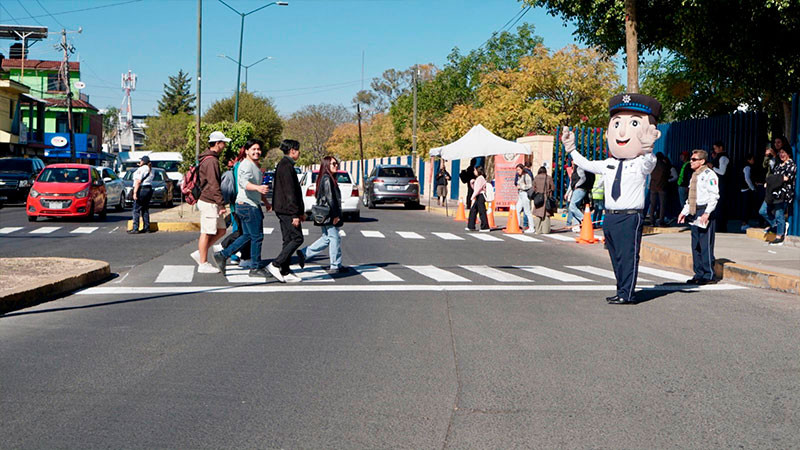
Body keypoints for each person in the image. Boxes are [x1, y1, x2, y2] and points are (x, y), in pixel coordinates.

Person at [561, 92, 663, 305]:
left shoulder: (640, 163)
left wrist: (647, 149)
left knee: (628, 256)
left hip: (630, 216)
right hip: (611, 216)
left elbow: (649, 163)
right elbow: (587, 163)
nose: (622, 131)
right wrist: (570, 149)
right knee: (616, 256)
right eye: (616, 124)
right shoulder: (609, 164)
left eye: (633, 124)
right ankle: (620, 289)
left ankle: (627, 293)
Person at [211, 139, 271, 278]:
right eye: (253, 149)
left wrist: (265, 202)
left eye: (258, 149)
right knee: (257, 237)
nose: (256, 152)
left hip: (249, 204)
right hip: (247, 206)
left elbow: (257, 189)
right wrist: (258, 188)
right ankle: (255, 267)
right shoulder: (245, 165)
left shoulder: (255, 166)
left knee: (247, 235)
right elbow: (244, 183)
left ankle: (223, 255)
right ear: (247, 151)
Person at [299, 156, 347, 274]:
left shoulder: (326, 178)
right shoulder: (327, 179)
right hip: (329, 214)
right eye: (333, 164)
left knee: (327, 238)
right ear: (326, 166)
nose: (336, 166)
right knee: (334, 238)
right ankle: (335, 265)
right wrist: (336, 215)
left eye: (337, 163)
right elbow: (330, 199)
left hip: (325, 213)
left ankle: (305, 253)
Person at [678, 150, 720, 284]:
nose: (691, 161)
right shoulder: (694, 175)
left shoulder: (709, 175)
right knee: (695, 244)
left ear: (702, 161)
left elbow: (714, 195)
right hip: (694, 211)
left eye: (694, 159)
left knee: (705, 243)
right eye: (691, 159)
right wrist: (684, 212)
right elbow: (691, 197)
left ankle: (709, 274)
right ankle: (698, 273)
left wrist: (707, 213)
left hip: (704, 210)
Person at [191, 131, 229, 274]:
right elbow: (214, 184)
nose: (224, 146)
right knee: (207, 232)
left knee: (221, 230)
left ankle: (201, 252)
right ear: (217, 143)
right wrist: (221, 204)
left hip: (210, 200)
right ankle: (203, 263)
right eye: (223, 143)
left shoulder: (209, 159)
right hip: (209, 201)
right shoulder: (211, 161)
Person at [267, 139, 305, 283]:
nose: (299, 152)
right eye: (298, 150)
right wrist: (295, 214)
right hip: (287, 210)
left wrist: (299, 211)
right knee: (297, 238)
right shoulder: (286, 166)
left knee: (288, 239)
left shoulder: (285, 165)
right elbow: (290, 193)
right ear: (293, 150)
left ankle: (285, 269)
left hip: (284, 209)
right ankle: (276, 264)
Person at [219, 146, 252, 267]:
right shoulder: (242, 166)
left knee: (240, 230)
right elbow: (240, 187)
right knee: (242, 231)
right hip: (240, 203)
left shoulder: (238, 165)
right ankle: (229, 251)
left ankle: (235, 255)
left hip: (236, 203)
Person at [761, 145, 796, 245]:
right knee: (763, 211)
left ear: (788, 154)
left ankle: (779, 234)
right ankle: (777, 225)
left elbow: (786, 178)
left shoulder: (791, 165)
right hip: (772, 193)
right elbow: (774, 176)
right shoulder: (778, 165)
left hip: (783, 194)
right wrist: (774, 180)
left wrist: (774, 179)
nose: (781, 155)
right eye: (780, 153)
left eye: (784, 153)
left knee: (779, 213)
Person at [128, 155, 154, 234]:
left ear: (143, 162)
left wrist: (135, 193)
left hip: (141, 190)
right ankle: (147, 227)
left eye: (141, 161)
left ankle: (135, 228)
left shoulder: (141, 169)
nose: (140, 162)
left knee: (136, 209)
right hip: (148, 189)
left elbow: (138, 181)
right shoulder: (151, 170)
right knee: (145, 209)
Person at [566, 164, 594, 232]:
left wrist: (577, 185)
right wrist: (567, 192)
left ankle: (584, 219)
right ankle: (576, 225)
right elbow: (572, 182)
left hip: (579, 189)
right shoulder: (577, 169)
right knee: (575, 207)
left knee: (572, 206)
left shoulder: (579, 168)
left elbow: (583, 178)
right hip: (580, 189)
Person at [711, 141, 730, 231]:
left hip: (722, 185)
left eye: (715, 148)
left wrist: (712, 167)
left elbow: (722, 172)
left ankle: (721, 226)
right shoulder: (719, 157)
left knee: (720, 206)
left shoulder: (723, 158)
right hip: (717, 185)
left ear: (720, 148)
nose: (715, 150)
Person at [647, 153, 670, 226]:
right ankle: (661, 221)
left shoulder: (652, 166)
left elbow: (649, 175)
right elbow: (668, 174)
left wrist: (649, 185)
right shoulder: (664, 165)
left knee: (652, 204)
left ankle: (651, 221)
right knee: (662, 205)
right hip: (662, 187)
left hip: (653, 187)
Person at [532, 166, 555, 234]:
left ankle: (538, 230)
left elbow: (533, 187)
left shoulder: (536, 177)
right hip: (546, 197)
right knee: (546, 214)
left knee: (538, 214)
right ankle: (545, 230)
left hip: (538, 197)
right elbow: (553, 188)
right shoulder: (548, 178)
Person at [466, 166, 490, 231]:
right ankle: (471, 226)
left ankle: (485, 227)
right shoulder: (478, 178)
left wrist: (472, 197)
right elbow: (475, 188)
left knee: (481, 211)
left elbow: (477, 189)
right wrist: (472, 183)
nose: (474, 172)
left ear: (478, 171)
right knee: (473, 210)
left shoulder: (480, 178)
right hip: (478, 196)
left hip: (480, 196)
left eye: (475, 170)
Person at [514, 163, 535, 233]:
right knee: (517, 209)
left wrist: (521, 187)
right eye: (517, 170)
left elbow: (530, 185)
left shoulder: (526, 176)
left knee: (527, 211)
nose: (517, 171)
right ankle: (518, 225)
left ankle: (532, 227)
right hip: (520, 194)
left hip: (525, 194)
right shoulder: (519, 176)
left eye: (519, 170)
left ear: (522, 169)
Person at [739, 154, 757, 228]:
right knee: (746, 207)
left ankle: (745, 222)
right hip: (746, 189)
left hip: (744, 189)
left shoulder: (745, 166)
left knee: (746, 207)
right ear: (748, 160)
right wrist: (752, 187)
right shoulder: (747, 167)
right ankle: (744, 223)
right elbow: (747, 179)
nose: (753, 161)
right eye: (752, 159)